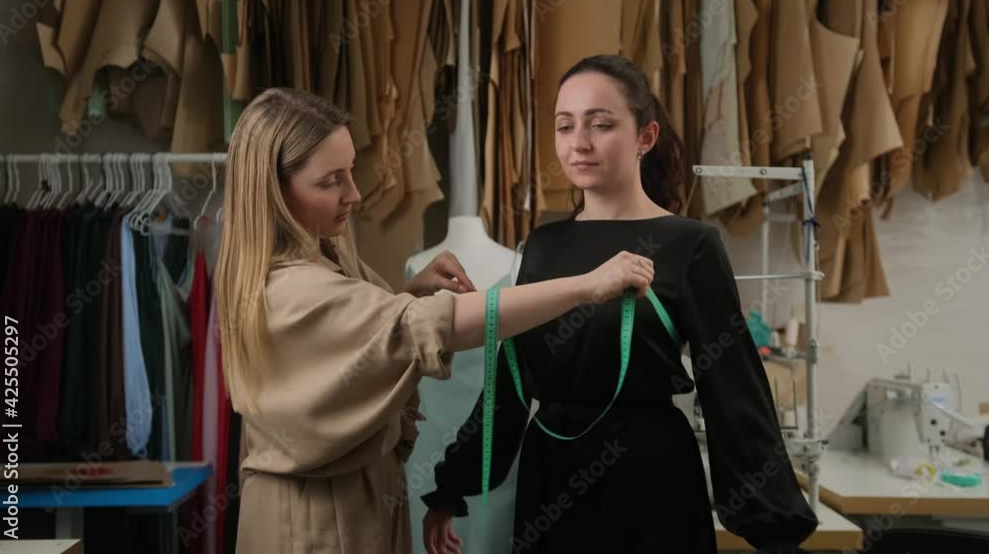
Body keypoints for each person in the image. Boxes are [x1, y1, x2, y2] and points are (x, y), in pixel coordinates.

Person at [212, 87, 656, 554]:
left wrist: (408, 294)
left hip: (346, 503)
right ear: (275, 191)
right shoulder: (290, 287)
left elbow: (348, 345)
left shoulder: (319, 256)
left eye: (351, 172)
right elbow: (438, 325)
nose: (355, 194)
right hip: (315, 524)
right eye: (331, 182)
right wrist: (586, 286)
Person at [420, 55, 819, 553]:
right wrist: (450, 486)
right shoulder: (543, 245)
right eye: (565, 126)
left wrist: (774, 530)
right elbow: (510, 380)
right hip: (551, 480)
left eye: (601, 124)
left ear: (645, 137)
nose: (579, 142)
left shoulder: (690, 245)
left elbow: (734, 390)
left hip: (650, 482)